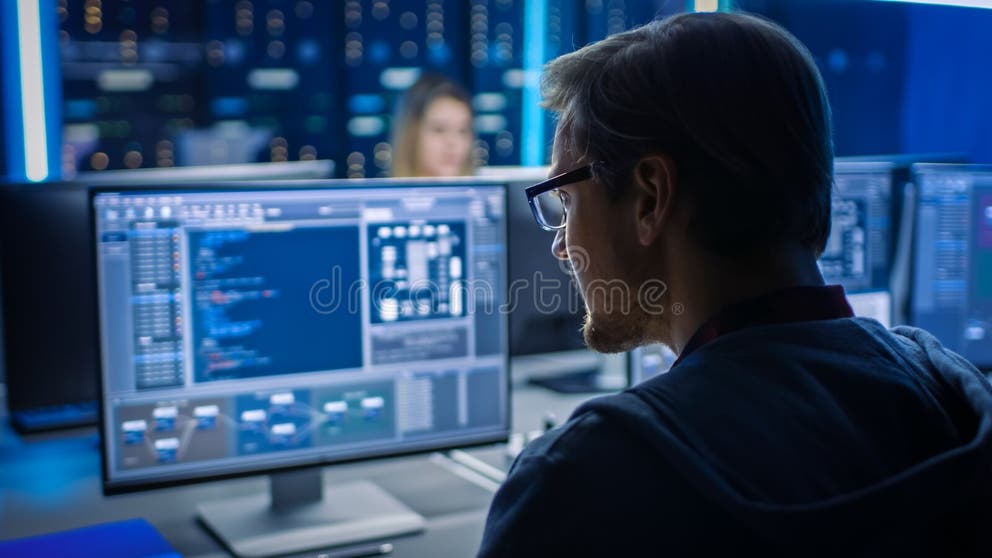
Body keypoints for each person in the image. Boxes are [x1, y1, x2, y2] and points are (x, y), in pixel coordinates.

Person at [478, 11, 992, 557]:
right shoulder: (948, 403)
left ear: (650, 197)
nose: (560, 245)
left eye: (566, 201)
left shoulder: (579, 484)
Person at [390, 73, 475, 177]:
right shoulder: (385, 193)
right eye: (439, 129)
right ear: (412, 133)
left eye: (462, 131)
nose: (452, 142)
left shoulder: (486, 193)